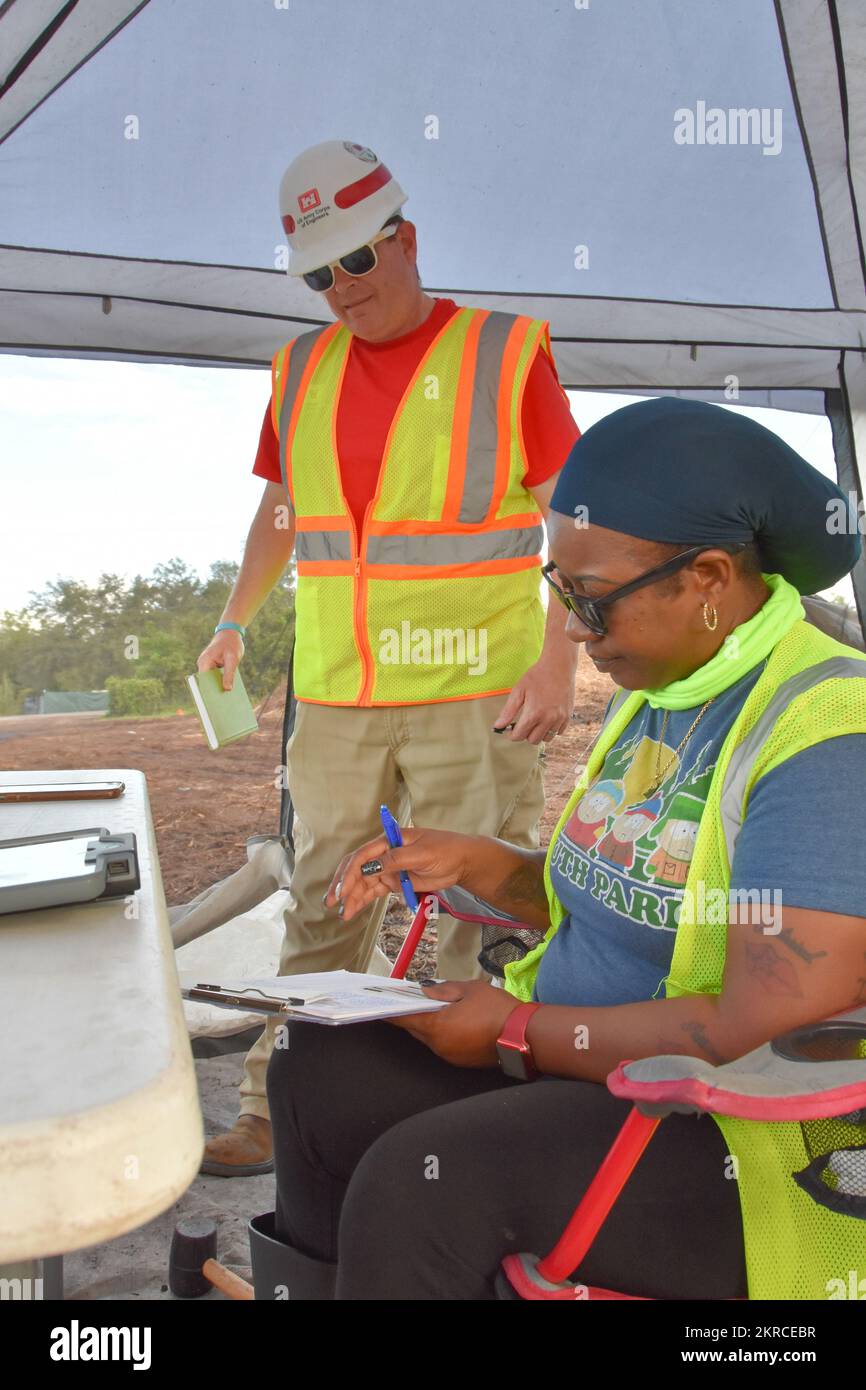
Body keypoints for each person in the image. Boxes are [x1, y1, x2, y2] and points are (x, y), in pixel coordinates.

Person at [261, 396, 866, 1300]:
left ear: (706, 577)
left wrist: (514, 1031)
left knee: (423, 1184)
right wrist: (486, 865)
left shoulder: (825, 730)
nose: (577, 630)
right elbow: (637, 900)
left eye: (592, 601)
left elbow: (766, 1024)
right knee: (319, 1070)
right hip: (586, 1071)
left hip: (734, 1137)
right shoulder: (665, 682)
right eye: (561, 591)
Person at [197, 140, 580, 1175]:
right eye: (318, 275)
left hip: (473, 691)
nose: (341, 290)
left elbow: (574, 521)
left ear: (405, 238)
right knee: (323, 902)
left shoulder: (504, 352)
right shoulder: (299, 367)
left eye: (357, 262)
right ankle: (282, 1112)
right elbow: (281, 509)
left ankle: (434, 1119)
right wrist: (235, 616)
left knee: (466, 914)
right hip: (336, 692)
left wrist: (558, 658)